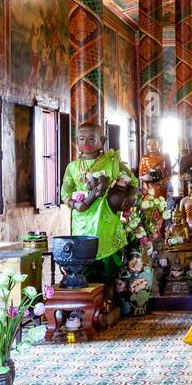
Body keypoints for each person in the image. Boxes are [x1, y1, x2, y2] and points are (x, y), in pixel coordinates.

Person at [60, 121, 138, 288]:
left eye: (91, 139)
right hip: (82, 218)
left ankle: (108, 297)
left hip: (106, 216)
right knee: (84, 263)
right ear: (76, 141)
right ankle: (89, 300)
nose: (86, 143)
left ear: (102, 141)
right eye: (81, 139)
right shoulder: (73, 167)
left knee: (108, 263)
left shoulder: (112, 161)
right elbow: (64, 193)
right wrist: (74, 203)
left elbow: (133, 180)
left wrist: (129, 196)